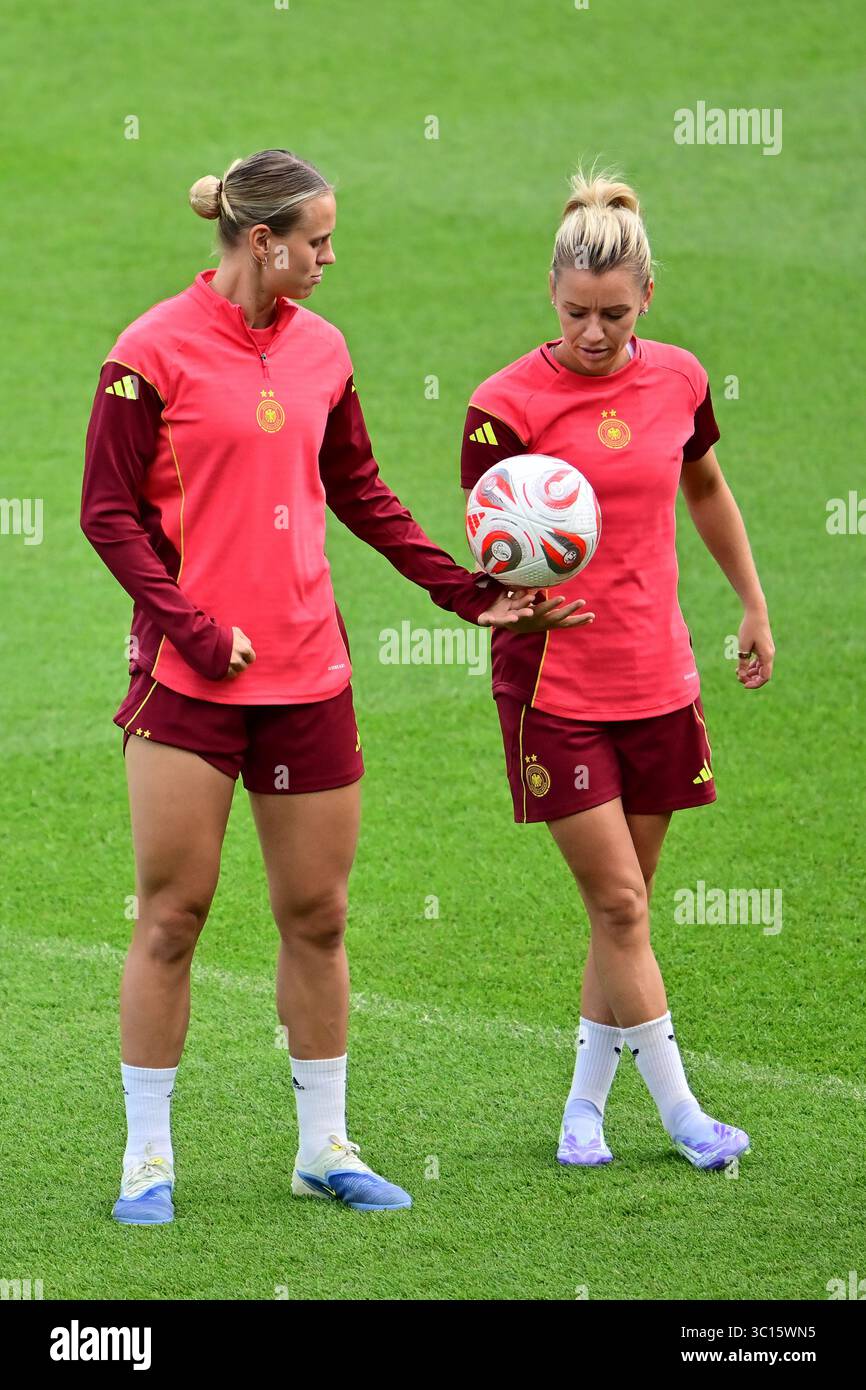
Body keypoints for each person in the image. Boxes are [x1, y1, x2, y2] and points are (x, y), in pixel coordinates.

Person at [81, 147, 551, 1224]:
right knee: (171, 915)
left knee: (319, 916)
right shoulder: (148, 352)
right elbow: (106, 512)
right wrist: (191, 629)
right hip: (188, 684)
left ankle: (323, 1145)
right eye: (319, 240)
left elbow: (358, 489)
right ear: (263, 242)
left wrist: (464, 591)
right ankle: (146, 1159)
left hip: (307, 675)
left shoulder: (324, 351)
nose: (331, 257)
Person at [460, 167, 775, 1171]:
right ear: (547, 296)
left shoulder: (678, 378)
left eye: (610, 313)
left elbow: (707, 487)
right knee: (624, 906)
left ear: (647, 297)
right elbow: (489, 551)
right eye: (572, 313)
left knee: (621, 903)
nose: (591, 334)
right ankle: (684, 1116)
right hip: (554, 686)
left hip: (659, 676)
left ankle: (579, 1114)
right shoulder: (501, 404)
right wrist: (512, 593)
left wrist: (751, 602)